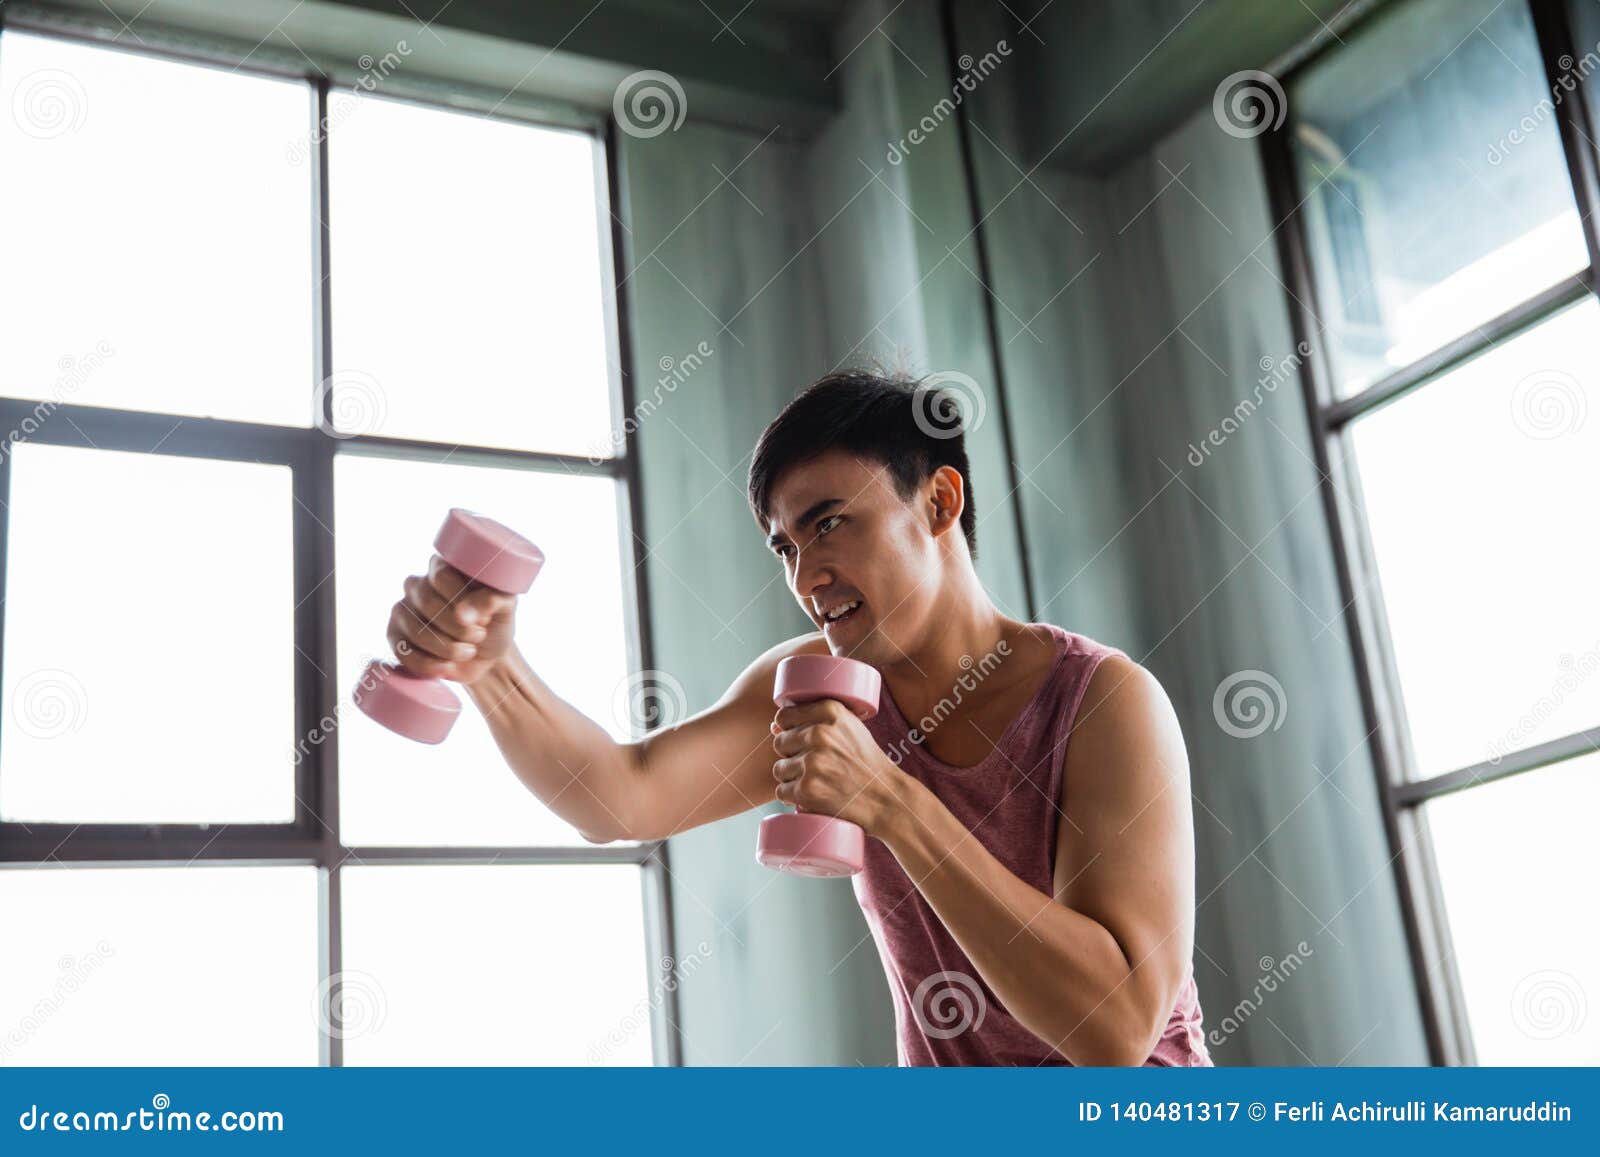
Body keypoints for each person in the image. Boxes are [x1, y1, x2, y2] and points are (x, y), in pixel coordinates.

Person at [384, 369, 1211, 1066]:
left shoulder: (1106, 702)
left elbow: (1115, 1028)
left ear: (939, 501)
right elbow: (619, 796)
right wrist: (490, 667)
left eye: (829, 523)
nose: (808, 572)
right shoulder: (815, 689)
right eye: (785, 546)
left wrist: (890, 802)